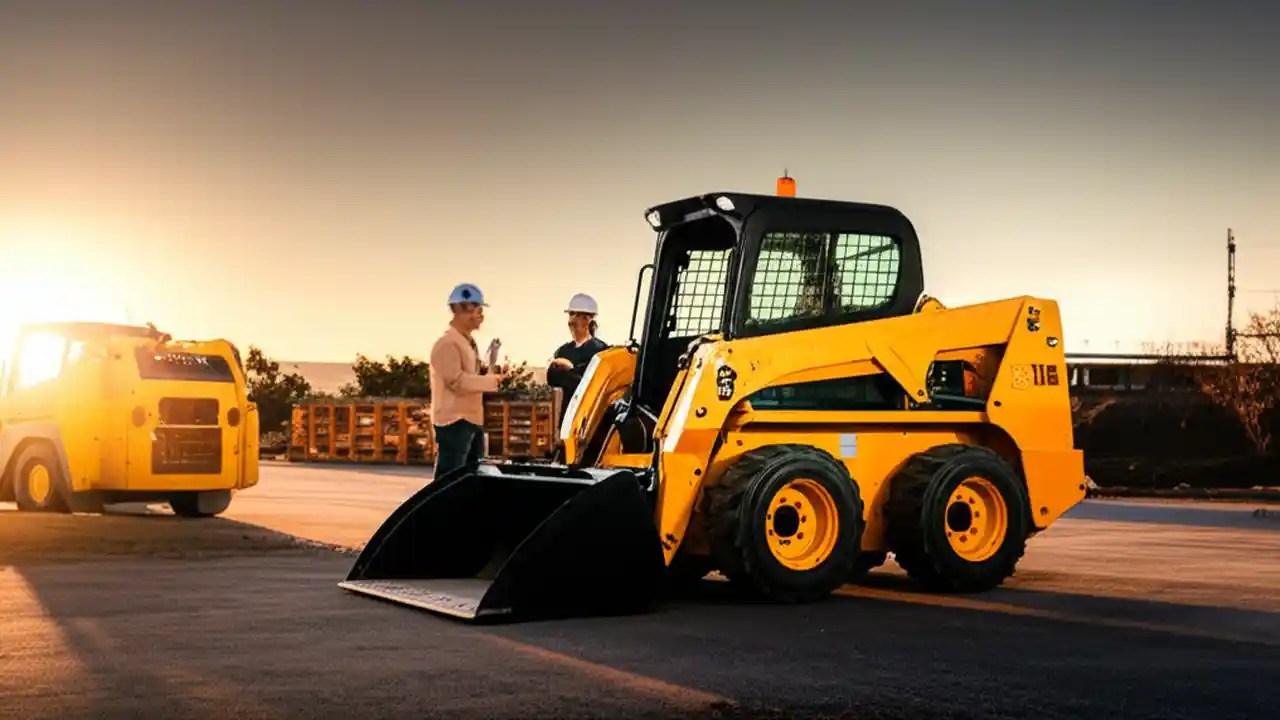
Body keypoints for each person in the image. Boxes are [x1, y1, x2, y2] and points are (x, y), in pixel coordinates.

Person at [429, 282, 505, 481]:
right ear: (464, 309)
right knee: (449, 480)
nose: (481, 315)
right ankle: (442, 512)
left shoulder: (466, 342)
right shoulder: (447, 344)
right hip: (454, 422)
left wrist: (493, 365)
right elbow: (457, 382)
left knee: (468, 479)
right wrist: (492, 382)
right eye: (478, 309)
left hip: (470, 420)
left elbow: (472, 376)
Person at [546, 292, 608, 402]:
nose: (572, 321)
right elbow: (553, 381)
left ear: (589, 319)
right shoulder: (563, 351)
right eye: (571, 315)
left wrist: (568, 371)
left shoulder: (600, 352)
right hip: (567, 413)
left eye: (578, 315)